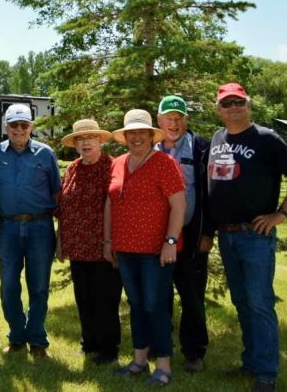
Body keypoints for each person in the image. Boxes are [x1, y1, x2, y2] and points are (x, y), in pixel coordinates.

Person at [201, 83, 287, 392]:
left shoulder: (266, 138)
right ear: (219, 110)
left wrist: (282, 213)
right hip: (227, 235)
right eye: (227, 103)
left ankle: (266, 374)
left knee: (260, 302)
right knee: (241, 301)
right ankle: (251, 362)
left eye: (239, 102)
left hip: (255, 236)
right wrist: (209, 231)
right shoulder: (217, 138)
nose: (233, 107)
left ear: (249, 106)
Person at [104, 109, 185, 387]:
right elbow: (110, 203)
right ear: (125, 136)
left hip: (155, 252)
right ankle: (139, 360)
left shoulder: (165, 163)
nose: (136, 137)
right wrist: (108, 241)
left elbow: (179, 205)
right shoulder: (118, 163)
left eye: (142, 132)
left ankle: (163, 366)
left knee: (155, 306)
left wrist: (170, 241)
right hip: (125, 249)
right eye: (131, 133)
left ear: (151, 136)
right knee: (136, 304)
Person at [0, 103, 60, 358]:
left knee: (39, 287)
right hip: (8, 227)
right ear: (6, 126)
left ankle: (37, 340)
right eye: (14, 125)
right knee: (8, 286)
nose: (19, 129)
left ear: (31, 126)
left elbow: (56, 192)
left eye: (24, 125)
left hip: (41, 227)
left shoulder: (46, 154)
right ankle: (17, 336)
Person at [56, 118, 121, 365]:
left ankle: (108, 350)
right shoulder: (73, 168)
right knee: (84, 298)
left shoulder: (112, 167)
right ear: (75, 144)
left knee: (105, 299)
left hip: (104, 246)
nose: (86, 143)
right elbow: (64, 207)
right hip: (77, 246)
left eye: (91, 138)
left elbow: (117, 206)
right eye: (81, 139)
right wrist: (60, 241)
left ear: (100, 141)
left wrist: (109, 243)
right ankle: (89, 342)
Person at [155, 94, 210, 373]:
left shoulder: (201, 148)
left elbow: (210, 194)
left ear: (186, 119)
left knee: (192, 297)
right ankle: (160, 347)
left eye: (178, 118)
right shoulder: (150, 148)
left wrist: (207, 232)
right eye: (169, 118)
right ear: (159, 120)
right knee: (159, 296)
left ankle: (194, 352)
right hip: (155, 237)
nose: (174, 124)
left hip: (191, 236)